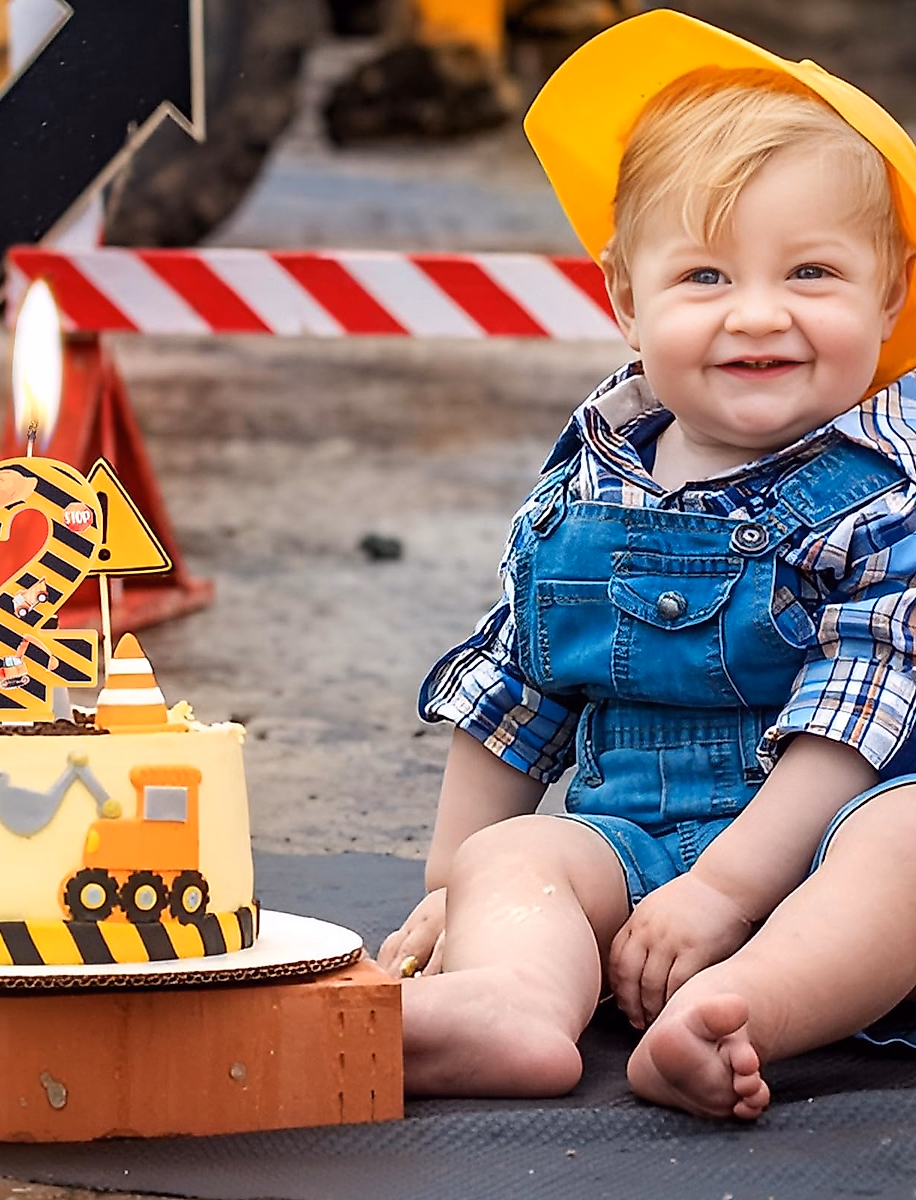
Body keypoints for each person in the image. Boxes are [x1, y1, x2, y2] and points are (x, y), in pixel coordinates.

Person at [377, 9, 916, 1121]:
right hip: (632, 854)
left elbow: (851, 720)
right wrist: (452, 891)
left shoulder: (884, 495)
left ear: (893, 295)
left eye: (812, 272)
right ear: (626, 298)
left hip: (818, 859)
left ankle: (739, 1016)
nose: (759, 315)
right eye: (706, 276)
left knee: (910, 845)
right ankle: (517, 1002)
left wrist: (728, 894)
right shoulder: (587, 481)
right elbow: (518, 689)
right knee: (518, 856)